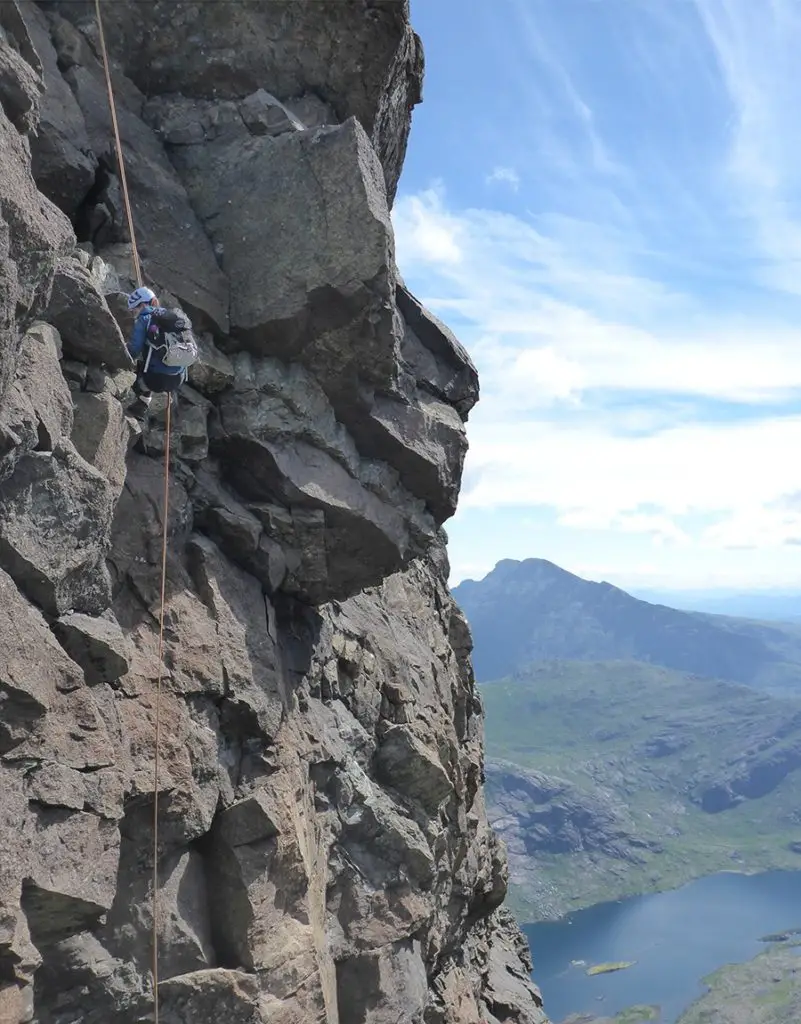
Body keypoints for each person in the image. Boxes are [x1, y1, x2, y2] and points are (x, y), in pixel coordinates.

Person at [126, 286, 187, 418]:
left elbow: (134, 350)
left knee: (139, 368)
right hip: (178, 379)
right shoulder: (173, 319)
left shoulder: (144, 319)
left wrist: (120, 359)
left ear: (142, 304)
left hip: (155, 380)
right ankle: (143, 404)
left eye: (134, 309)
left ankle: (141, 406)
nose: (133, 313)